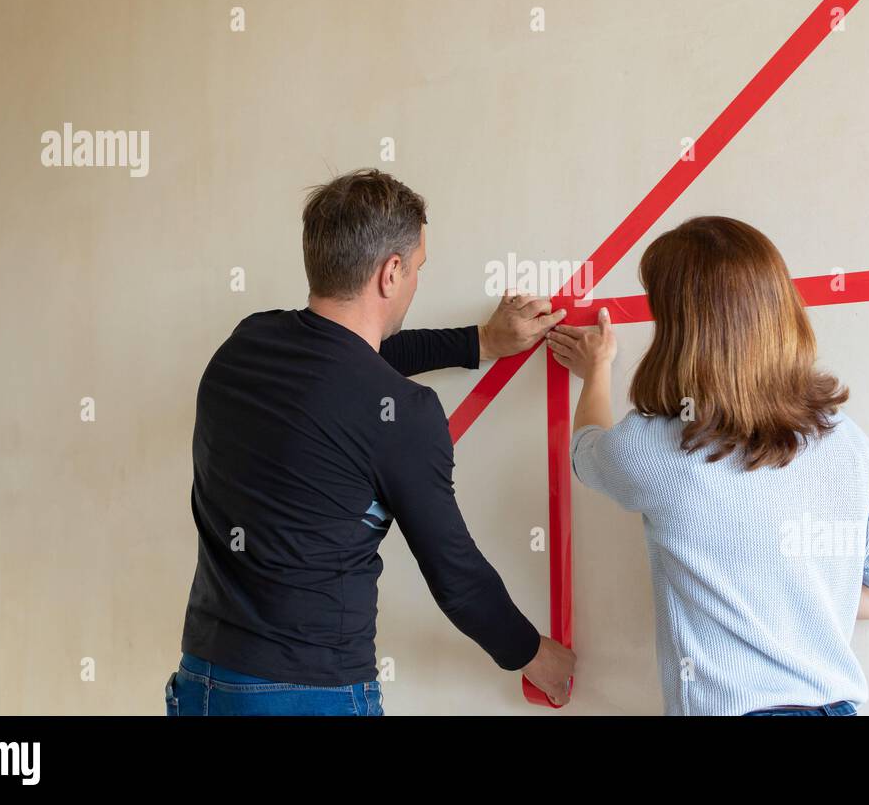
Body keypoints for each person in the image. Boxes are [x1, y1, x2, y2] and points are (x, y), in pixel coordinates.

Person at [167, 169, 575, 715]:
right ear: (391, 272)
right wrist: (538, 658)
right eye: (418, 269)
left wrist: (481, 342)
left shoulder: (244, 345)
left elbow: (347, 360)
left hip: (201, 682)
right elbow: (458, 579)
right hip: (308, 694)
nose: (415, 282)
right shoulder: (404, 416)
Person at [546, 216, 869, 716]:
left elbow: (587, 455)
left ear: (681, 329)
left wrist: (596, 370)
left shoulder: (660, 445)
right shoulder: (847, 441)